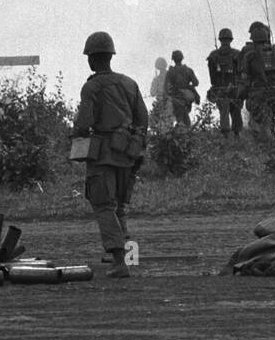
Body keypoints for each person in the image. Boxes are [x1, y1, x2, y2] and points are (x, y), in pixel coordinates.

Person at [72, 31, 148, 278]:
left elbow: (85, 123)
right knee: (120, 208)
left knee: (104, 206)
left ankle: (120, 263)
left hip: (103, 155)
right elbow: (142, 119)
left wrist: (77, 136)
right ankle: (125, 257)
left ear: (91, 60)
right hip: (127, 153)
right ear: (110, 56)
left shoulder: (91, 87)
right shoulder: (129, 83)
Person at [240, 22, 275, 136]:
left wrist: (241, 94)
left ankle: (267, 148)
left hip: (259, 96)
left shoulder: (249, 56)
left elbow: (245, 79)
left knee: (260, 126)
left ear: (253, 40)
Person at [206, 28, 243, 137]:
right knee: (236, 110)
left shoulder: (213, 55)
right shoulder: (237, 54)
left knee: (223, 111)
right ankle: (237, 134)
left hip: (219, 88)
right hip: (234, 88)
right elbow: (241, 71)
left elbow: (212, 76)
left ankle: (225, 135)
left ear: (220, 39)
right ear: (231, 39)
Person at [165, 49, 200, 128]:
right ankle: (185, 134)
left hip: (176, 97)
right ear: (182, 58)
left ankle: (182, 135)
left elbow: (166, 86)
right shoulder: (188, 70)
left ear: (173, 59)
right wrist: (189, 87)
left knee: (180, 118)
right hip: (187, 97)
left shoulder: (171, 71)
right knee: (185, 118)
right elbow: (196, 83)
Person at [148, 56, 173, 128]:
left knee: (153, 123)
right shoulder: (171, 77)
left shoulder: (157, 79)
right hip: (168, 104)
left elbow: (152, 93)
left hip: (164, 104)